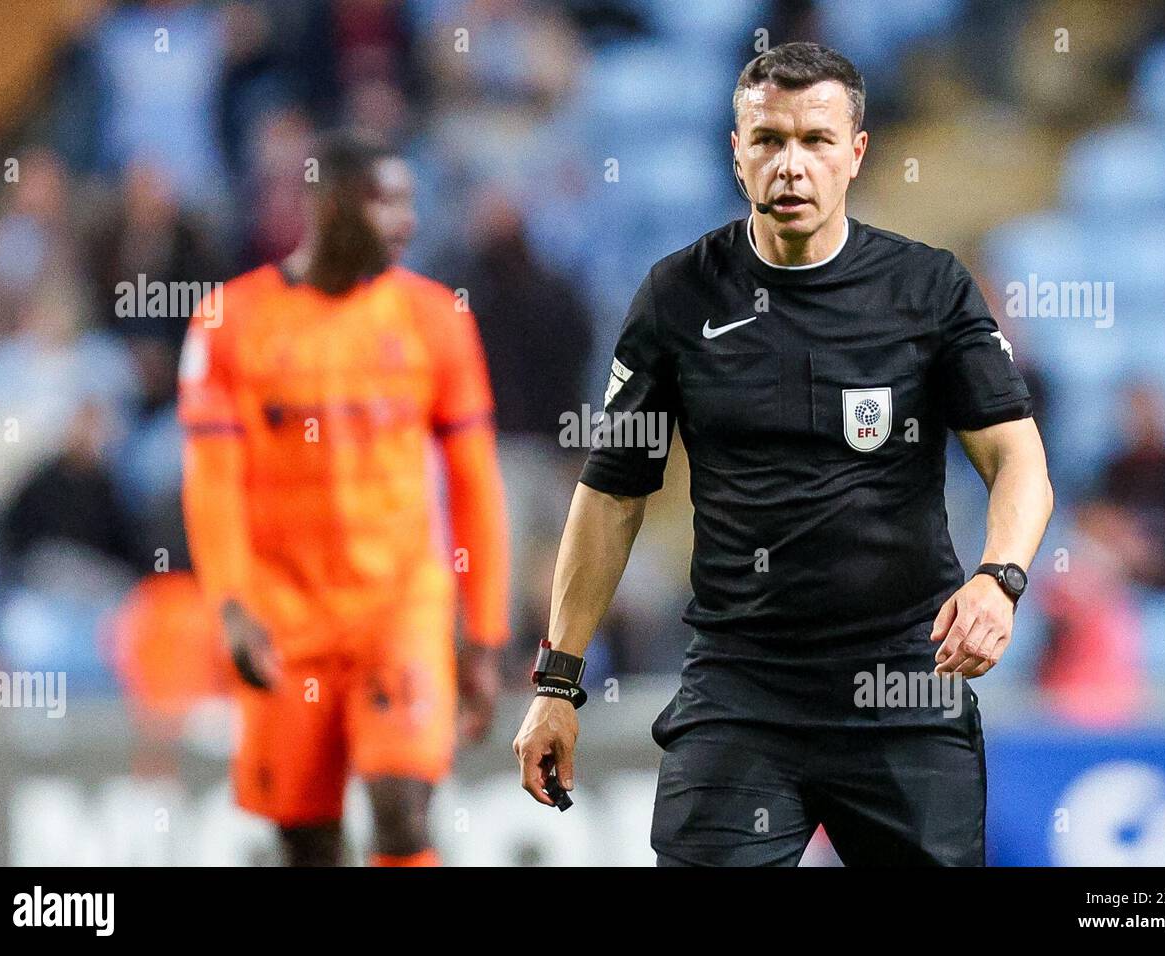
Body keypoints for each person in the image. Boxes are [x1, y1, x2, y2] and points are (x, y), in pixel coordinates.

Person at [512, 43, 1053, 866]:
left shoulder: (928, 290)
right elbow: (612, 493)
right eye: (769, 141)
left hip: (904, 685)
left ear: (856, 153)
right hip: (742, 691)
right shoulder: (677, 297)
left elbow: (1019, 461)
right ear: (737, 153)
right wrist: (557, 684)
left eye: (816, 140)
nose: (791, 166)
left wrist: (1000, 578)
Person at [180, 133, 508, 866]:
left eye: (410, 202)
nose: (408, 222)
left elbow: (476, 483)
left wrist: (482, 633)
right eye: (386, 201)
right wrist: (230, 605)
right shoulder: (229, 324)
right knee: (306, 838)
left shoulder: (434, 319)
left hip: (398, 609)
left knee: (400, 807)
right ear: (328, 204)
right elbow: (212, 483)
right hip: (284, 620)